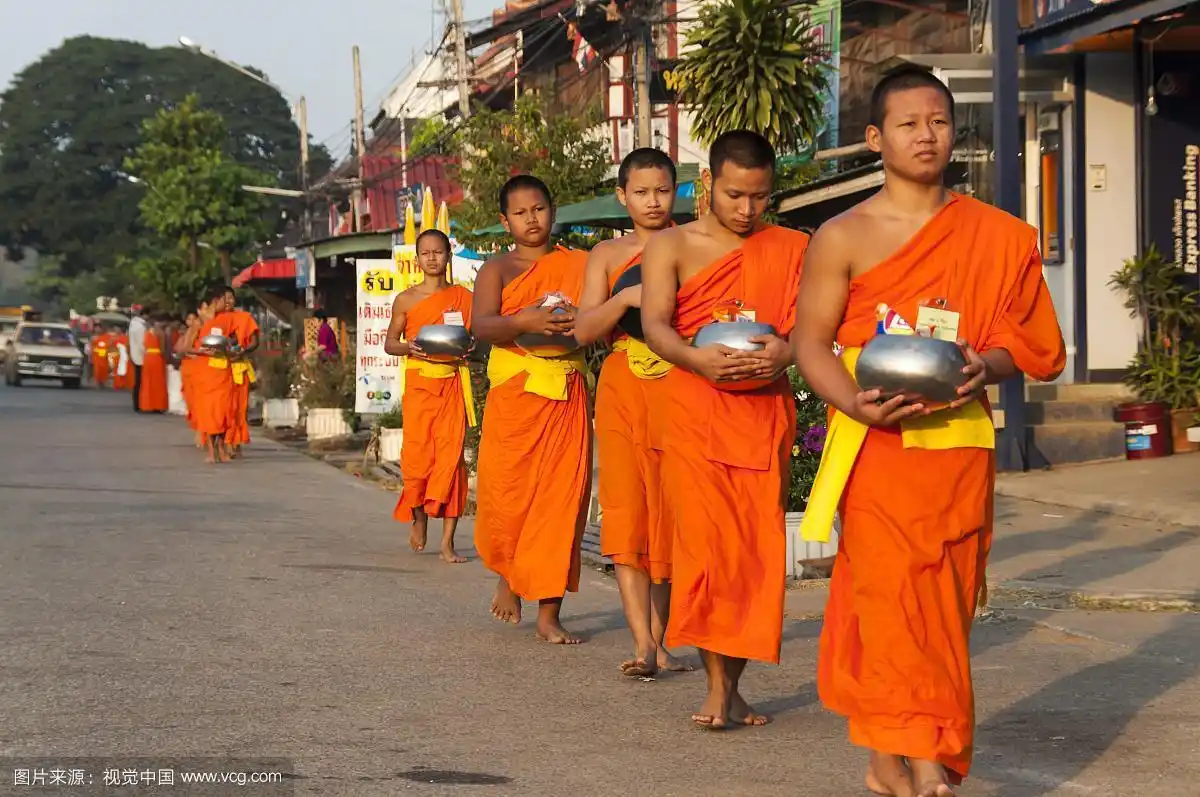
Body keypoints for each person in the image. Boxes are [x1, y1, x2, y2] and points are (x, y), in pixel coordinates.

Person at [792, 67, 1066, 797]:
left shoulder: (1000, 236)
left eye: (939, 120)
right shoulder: (841, 236)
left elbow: (1034, 346)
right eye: (909, 123)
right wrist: (855, 403)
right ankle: (924, 762)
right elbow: (810, 344)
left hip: (958, 448)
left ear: (955, 130)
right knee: (893, 602)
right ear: (876, 137)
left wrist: (986, 363)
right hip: (878, 446)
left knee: (944, 605)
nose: (927, 134)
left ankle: (892, 756)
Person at [641, 130, 809, 728]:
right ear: (710, 183)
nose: (747, 210)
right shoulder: (672, 246)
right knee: (706, 552)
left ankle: (732, 685)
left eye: (760, 197)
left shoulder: (793, 246)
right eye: (736, 195)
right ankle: (717, 687)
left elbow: (811, 328)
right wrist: (694, 358)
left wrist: (784, 355)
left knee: (752, 557)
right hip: (694, 410)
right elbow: (656, 324)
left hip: (763, 416)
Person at [573, 147, 690, 676]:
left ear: (677, 192)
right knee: (626, 509)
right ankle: (642, 643)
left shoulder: (694, 244)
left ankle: (662, 642)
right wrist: (624, 302)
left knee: (670, 511)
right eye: (640, 192)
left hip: (681, 380)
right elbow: (582, 330)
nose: (652, 202)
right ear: (622, 196)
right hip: (623, 380)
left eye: (662, 191)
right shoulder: (606, 254)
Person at [471, 174, 592, 644]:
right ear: (505, 221)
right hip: (517, 391)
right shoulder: (497, 269)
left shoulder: (579, 264)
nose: (532, 219)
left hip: (565, 389)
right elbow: (482, 325)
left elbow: (596, 315)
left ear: (552, 210)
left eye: (539, 209)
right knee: (509, 493)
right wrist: (522, 319)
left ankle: (549, 611)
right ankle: (508, 574)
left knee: (562, 501)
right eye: (520, 213)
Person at [383, 229, 474, 564]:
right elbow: (390, 343)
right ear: (417, 258)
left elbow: (474, 336)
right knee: (418, 461)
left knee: (452, 463)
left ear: (448, 255)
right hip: (421, 385)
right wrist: (410, 347)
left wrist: (471, 347)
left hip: (451, 385)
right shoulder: (406, 299)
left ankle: (448, 543)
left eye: (438, 252)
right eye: (426, 253)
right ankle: (418, 515)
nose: (432, 258)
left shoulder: (464, 297)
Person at [187, 288, 238, 464]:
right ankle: (211, 450)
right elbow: (186, 347)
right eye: (225, 300)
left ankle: (221, 449)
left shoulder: (227, 320)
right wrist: (202, 351)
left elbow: (231, 345)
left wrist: (232, 352)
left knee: (224, 412)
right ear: (216, 301)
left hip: (223, 370)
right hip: (207, 373)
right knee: (210, 413)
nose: (228, 304)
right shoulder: (199, 322)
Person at [220, 287, 261, 458]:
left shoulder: (244, 318)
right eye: (225, 298)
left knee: (239, 408)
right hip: (220, 370)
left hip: (239, 367)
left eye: (231, 298)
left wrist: (243, 350)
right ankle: (225, 443)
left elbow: (255, 341)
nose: (228, 301)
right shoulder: (214, 320)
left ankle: (235, 442)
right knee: (224, 408)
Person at [136, 313, 169, 413]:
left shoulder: (147, 332)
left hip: (147, 358)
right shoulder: (161, 333)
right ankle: (157, 405)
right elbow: (163, 350)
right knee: (157, 382)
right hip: (157, 358)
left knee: (147, 381)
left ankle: (146, 405)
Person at [127, 304, 148, 411]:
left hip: (134, 354)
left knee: (137, 380)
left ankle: (137, 403)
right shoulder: (140, 326)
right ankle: (138, 404)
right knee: (139, 380)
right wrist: (146, 354)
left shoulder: (133, 324)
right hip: (140, 356)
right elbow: (141, 343)